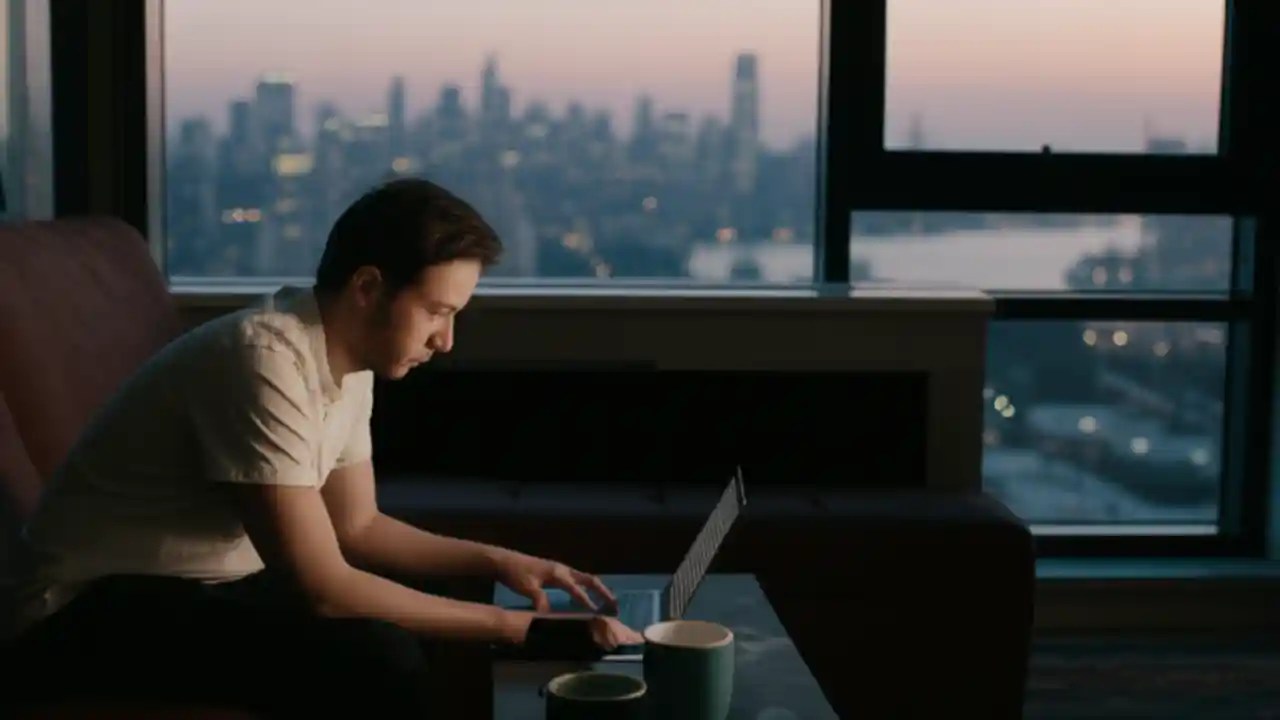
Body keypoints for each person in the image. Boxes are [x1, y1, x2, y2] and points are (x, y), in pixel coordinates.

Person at [3, 177, 643, 716]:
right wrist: (522, 629)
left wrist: (499, 564)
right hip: (84, 614)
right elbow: (324, 587)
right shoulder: (262, 358)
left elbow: (357, 526)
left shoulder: (347, 361)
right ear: (367, 288)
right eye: (436, 312)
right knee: (375, 653)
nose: (446, 341)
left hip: (191, 588)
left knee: (417, 609)